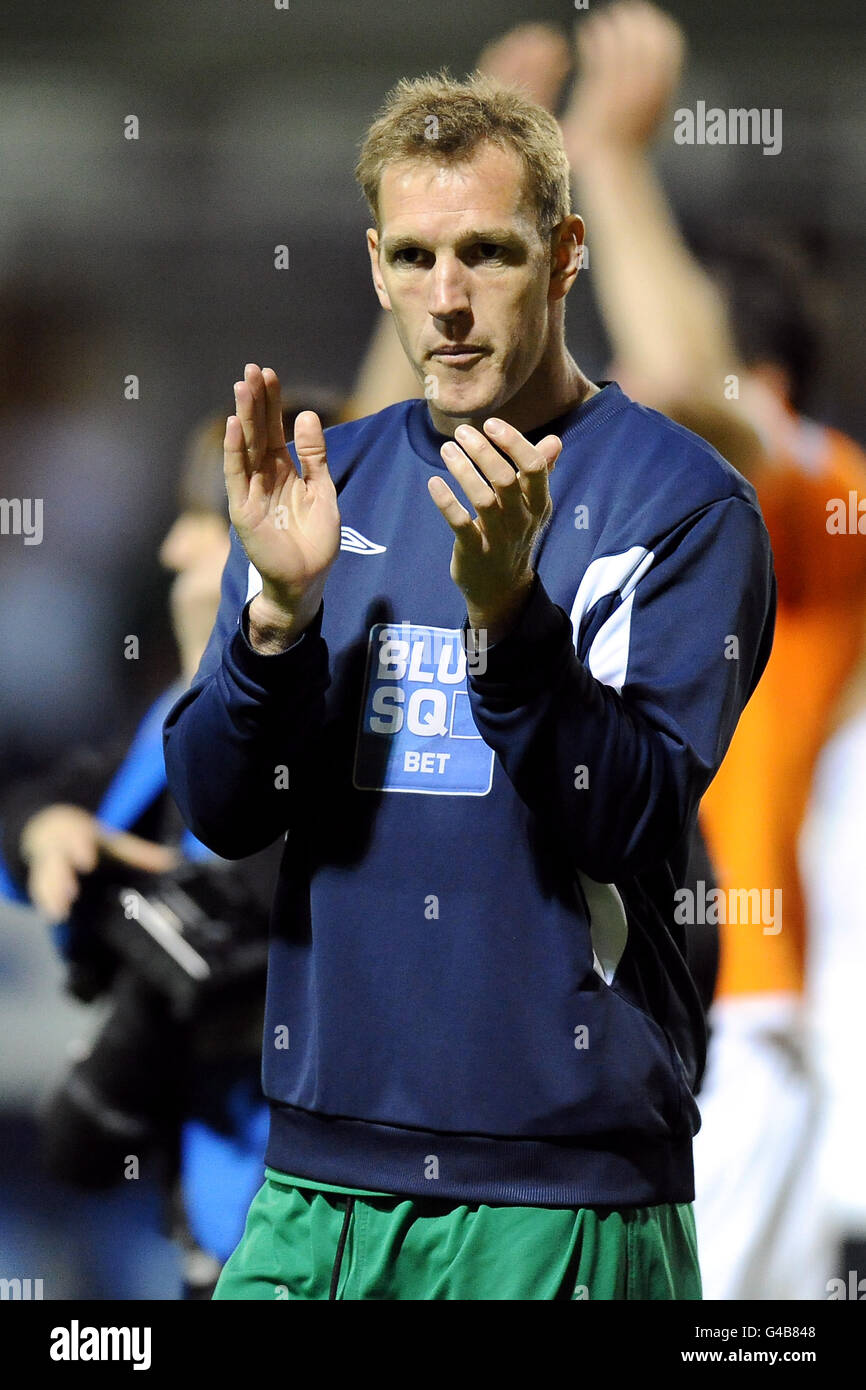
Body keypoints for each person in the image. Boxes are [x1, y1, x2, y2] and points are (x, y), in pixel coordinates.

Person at [163, 70, 775, 1301]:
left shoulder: (683, 507)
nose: (447, 301)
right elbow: (222, 809)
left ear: (563, 255)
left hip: (557, 1198)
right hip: (312, 1190)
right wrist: (274, 619)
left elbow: (635, 816)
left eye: (486, 253)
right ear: (377, 266)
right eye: (416, 256)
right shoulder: (318, 490)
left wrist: (507, 618)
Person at [557, 0, 866, 1297]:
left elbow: (690, 384)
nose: (622, 399)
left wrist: (611, 165)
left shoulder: (824, 494)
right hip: (677, 1020)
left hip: (754, 1029)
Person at [0, 398, 340, 1298]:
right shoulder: (162, 722)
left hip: (317, 1210)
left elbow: (240, 936)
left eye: (198, 526)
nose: (173, 553)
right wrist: (50, 835)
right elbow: (38, 811)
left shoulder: (337, 731)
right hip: (208, 1201)